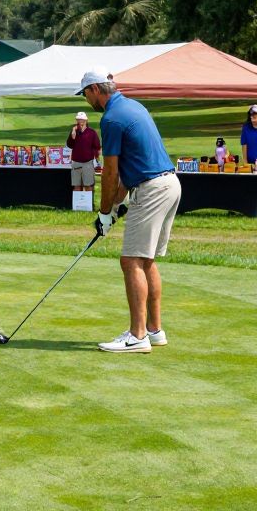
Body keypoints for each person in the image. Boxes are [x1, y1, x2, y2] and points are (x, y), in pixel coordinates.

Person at [78, 67, 181, 354]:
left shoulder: (111, 118)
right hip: (169, 184)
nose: (86, 100)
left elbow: (110, 173)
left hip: (152, 189)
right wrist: (114, 210)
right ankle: (154, 330)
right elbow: (125, 172)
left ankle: (137, 336)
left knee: (131, 261)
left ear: (96, 90)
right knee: (145, 261)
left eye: (85, 94)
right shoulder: (133, 106)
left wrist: (103, 212)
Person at [67, 110, 101, 192]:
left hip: (88, 163)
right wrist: (72, 135)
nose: (80, 121)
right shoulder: (74, 131)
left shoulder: (92, 132)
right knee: (76, 186)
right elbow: (69, 145)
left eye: (82, 119)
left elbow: (97, 147)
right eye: (78, 119)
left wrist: (97, 160)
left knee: (88, 186)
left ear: (86, 120)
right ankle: (77, 204)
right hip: (76, 162)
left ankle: (88, 204)